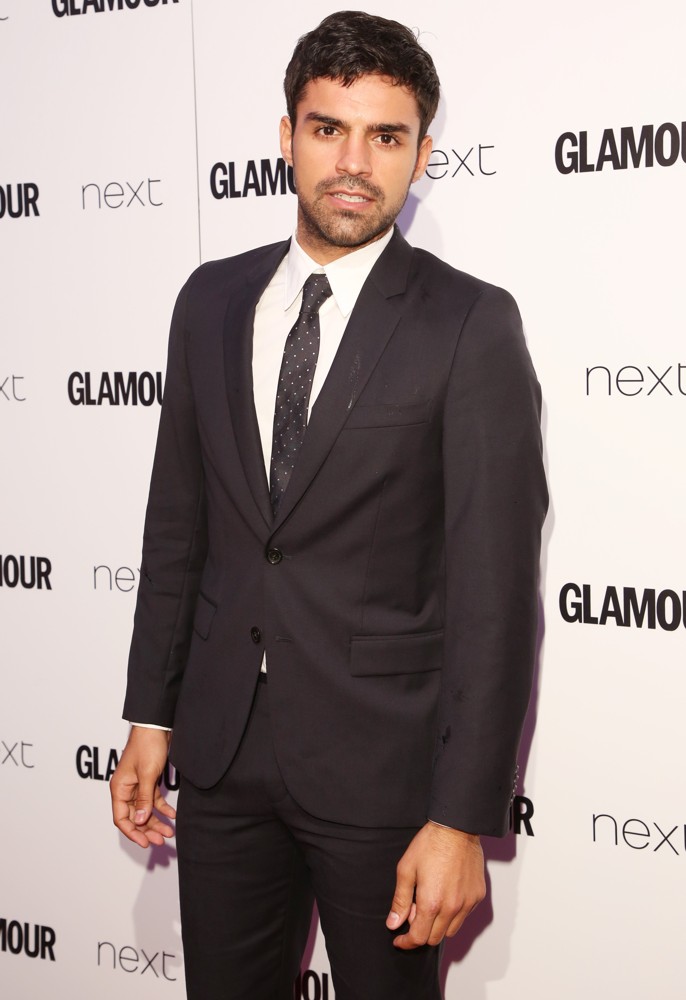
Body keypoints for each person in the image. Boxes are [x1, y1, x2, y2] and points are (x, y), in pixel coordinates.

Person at [110, 10, 547, 999]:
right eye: (327, 129)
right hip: (220, 760)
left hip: (385, 770)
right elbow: (177, 530)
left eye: (385, 137)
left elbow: (492, 595)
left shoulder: (468, 323)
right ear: (286, 136)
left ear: (421, 154)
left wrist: (460, 815)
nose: (353, 162)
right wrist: (149, 715)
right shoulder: (208, 303)